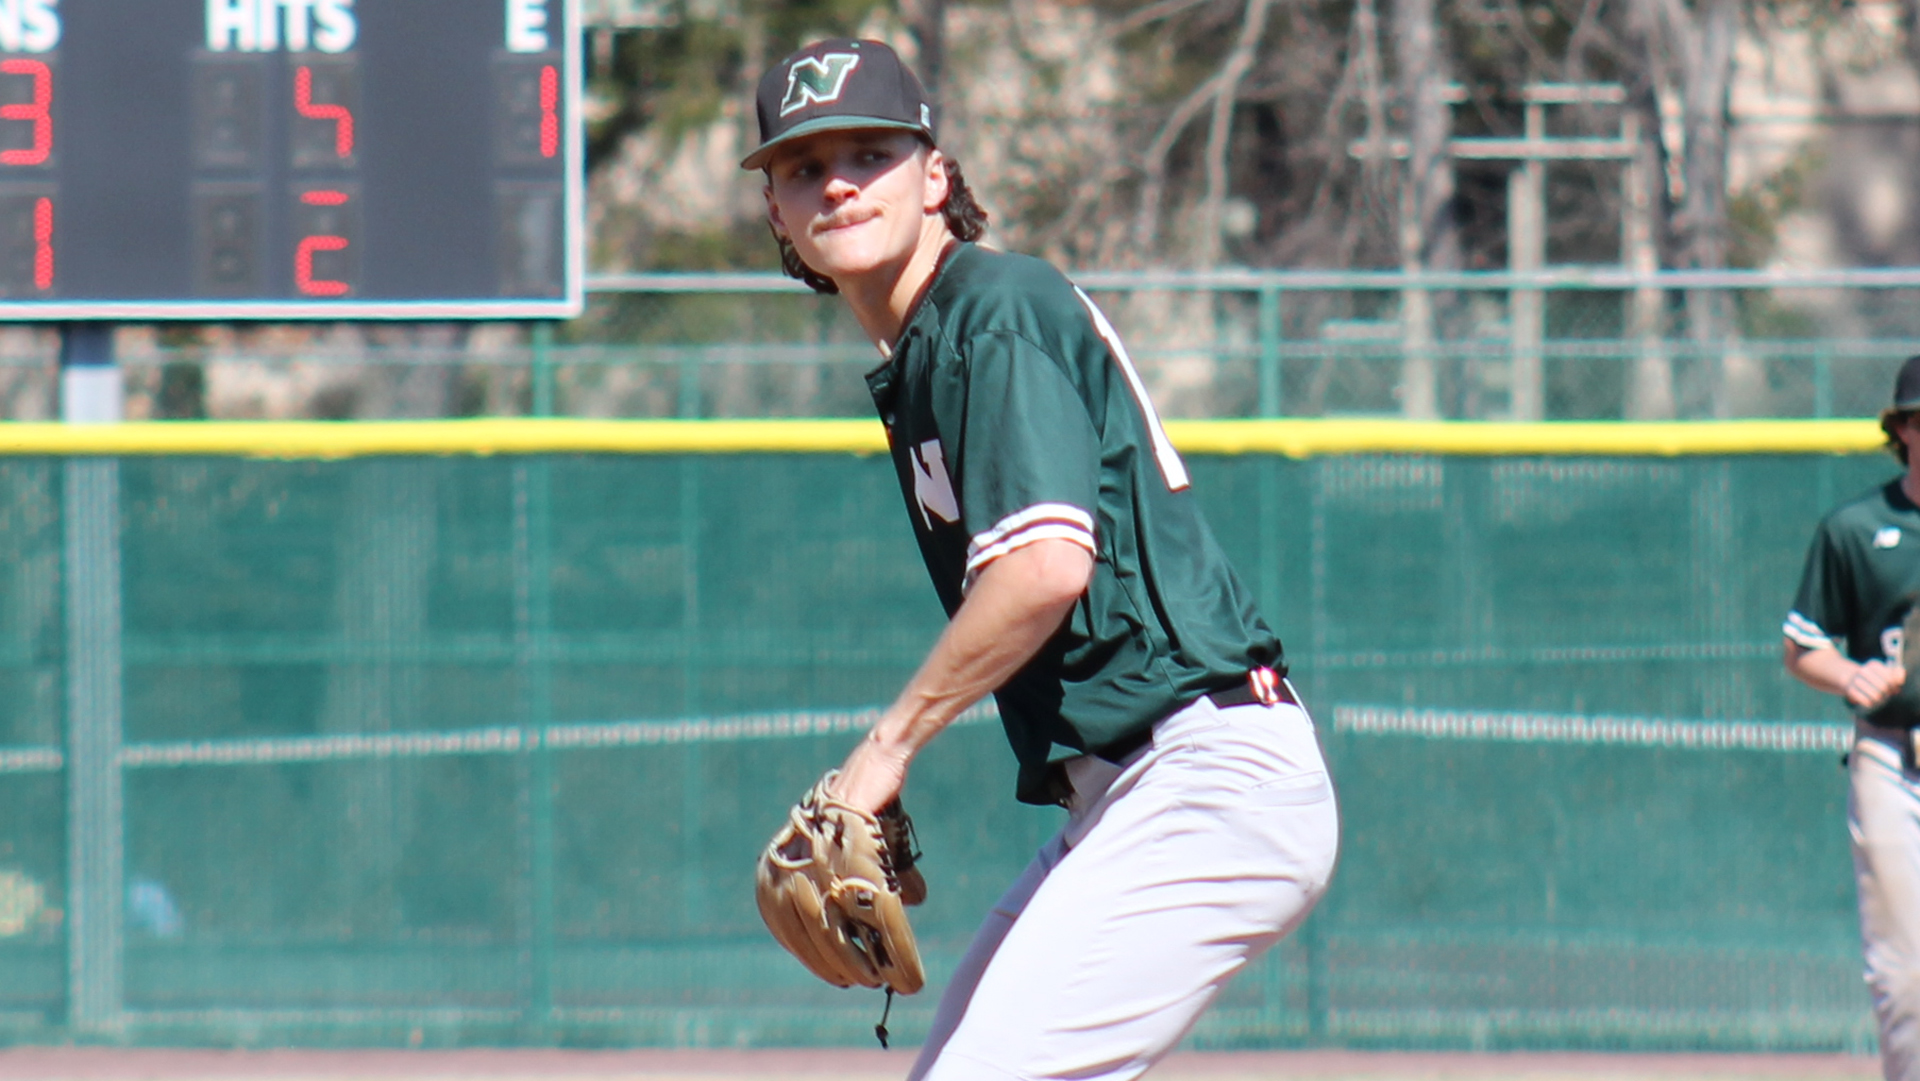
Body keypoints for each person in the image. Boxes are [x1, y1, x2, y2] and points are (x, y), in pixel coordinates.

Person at [744, 37, 1339, 1081]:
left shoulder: (993, 310)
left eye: (871, 152)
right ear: (777, 216)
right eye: (803, 167)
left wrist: (881, 755)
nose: (836, 180)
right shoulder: (933, 349)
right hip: (1131, 792)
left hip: (1205, 772)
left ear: (936, 178)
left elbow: (1044, 568)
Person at [1784, 355, 1920, 1081]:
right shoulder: (1858, 528)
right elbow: (1802, 645)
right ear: (1902, 428)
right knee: (1906, 977)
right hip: (1893, 760)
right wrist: (1849, 672)